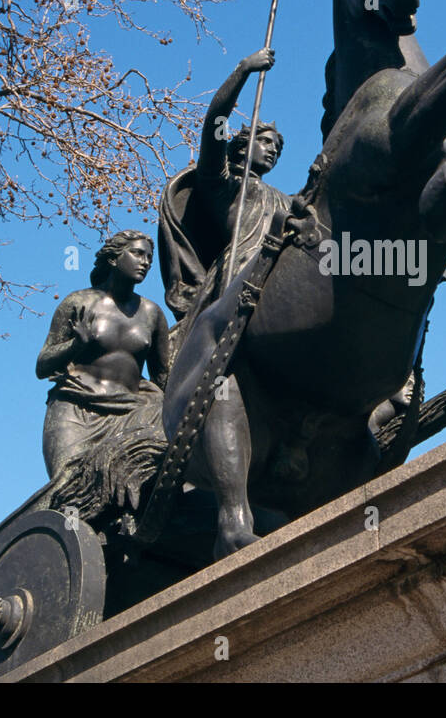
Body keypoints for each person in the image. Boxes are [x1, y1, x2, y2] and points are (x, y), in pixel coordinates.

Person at [157, 48, 293, 322]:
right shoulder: (223, 185)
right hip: (235, 282)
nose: (272, 150)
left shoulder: (287, 200)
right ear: (242, 147)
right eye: (265, 141)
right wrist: (242, 71)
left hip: (281, 279)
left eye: (277, 148)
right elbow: (215, 124)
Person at [37, 230, 170, 481]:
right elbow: (42, 366)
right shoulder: (78, 302)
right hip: (77, 409)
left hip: (134, 412)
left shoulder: (153, 314)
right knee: (70, 486)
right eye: (138, 254)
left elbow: (163, 376)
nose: (145, 262)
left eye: (150, 258)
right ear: (113, 258)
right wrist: (75, 346)